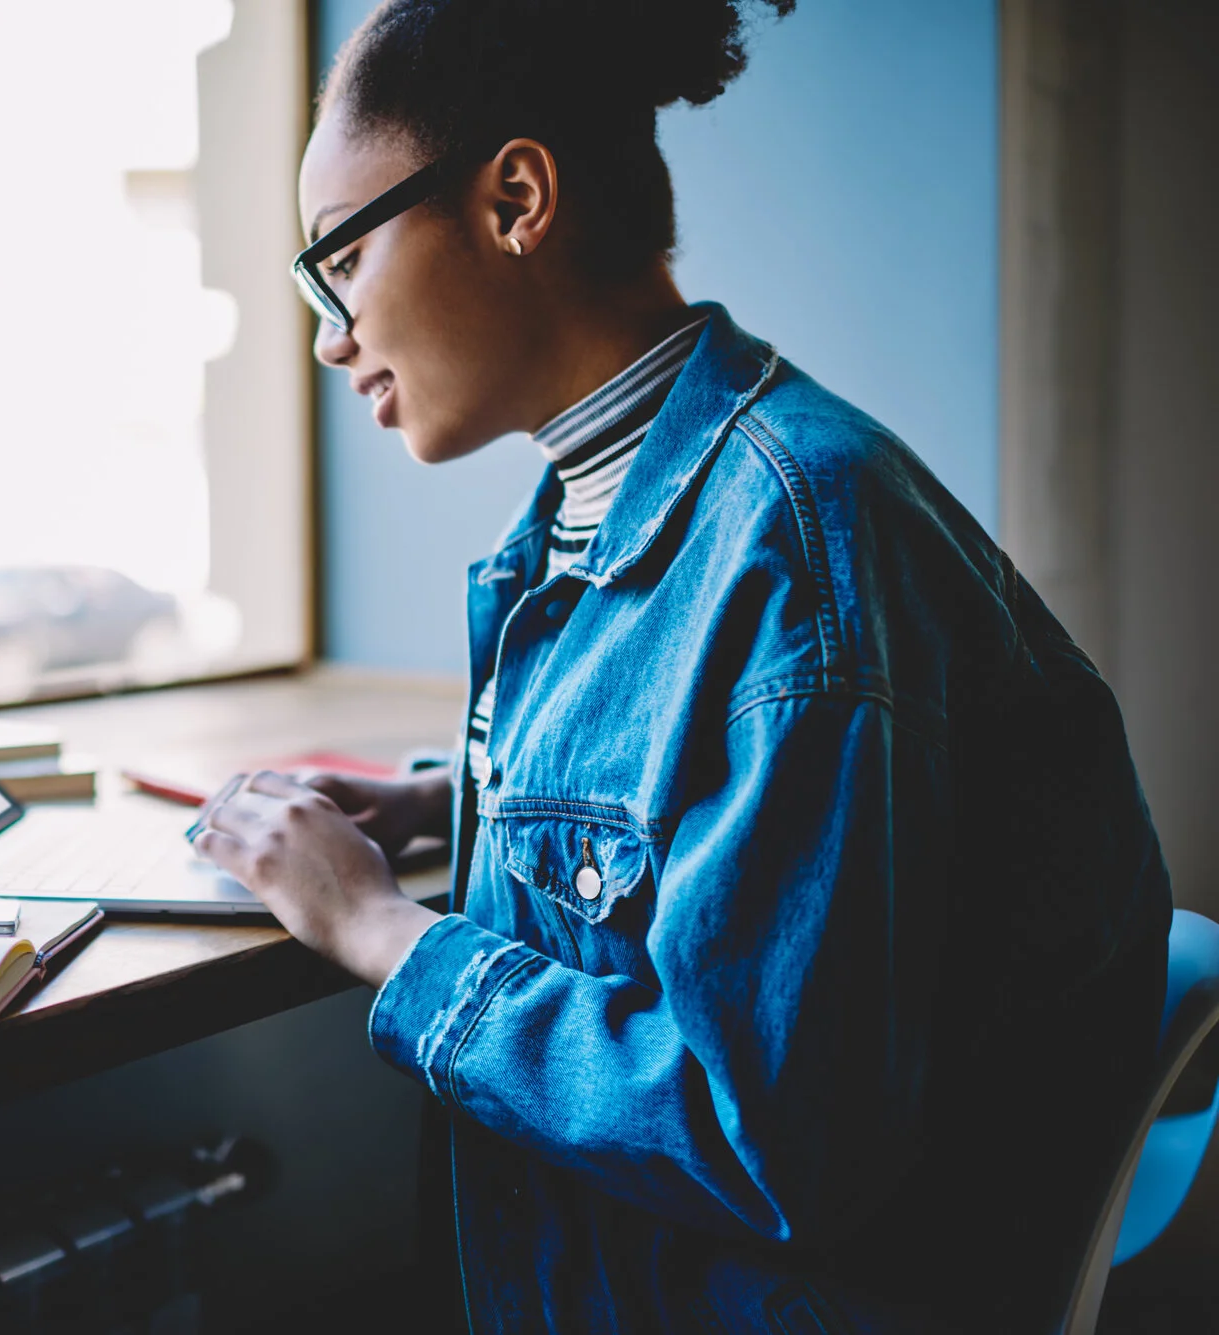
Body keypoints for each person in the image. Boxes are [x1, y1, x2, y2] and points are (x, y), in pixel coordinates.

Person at [187, 1, 1171, 1330]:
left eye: (343, 260)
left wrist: (382, 927)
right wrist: (450, 802)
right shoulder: (583, 524)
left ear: (516, 198)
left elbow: (768, 1133)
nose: (328, 335)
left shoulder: (805, 545)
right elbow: (693, 807)